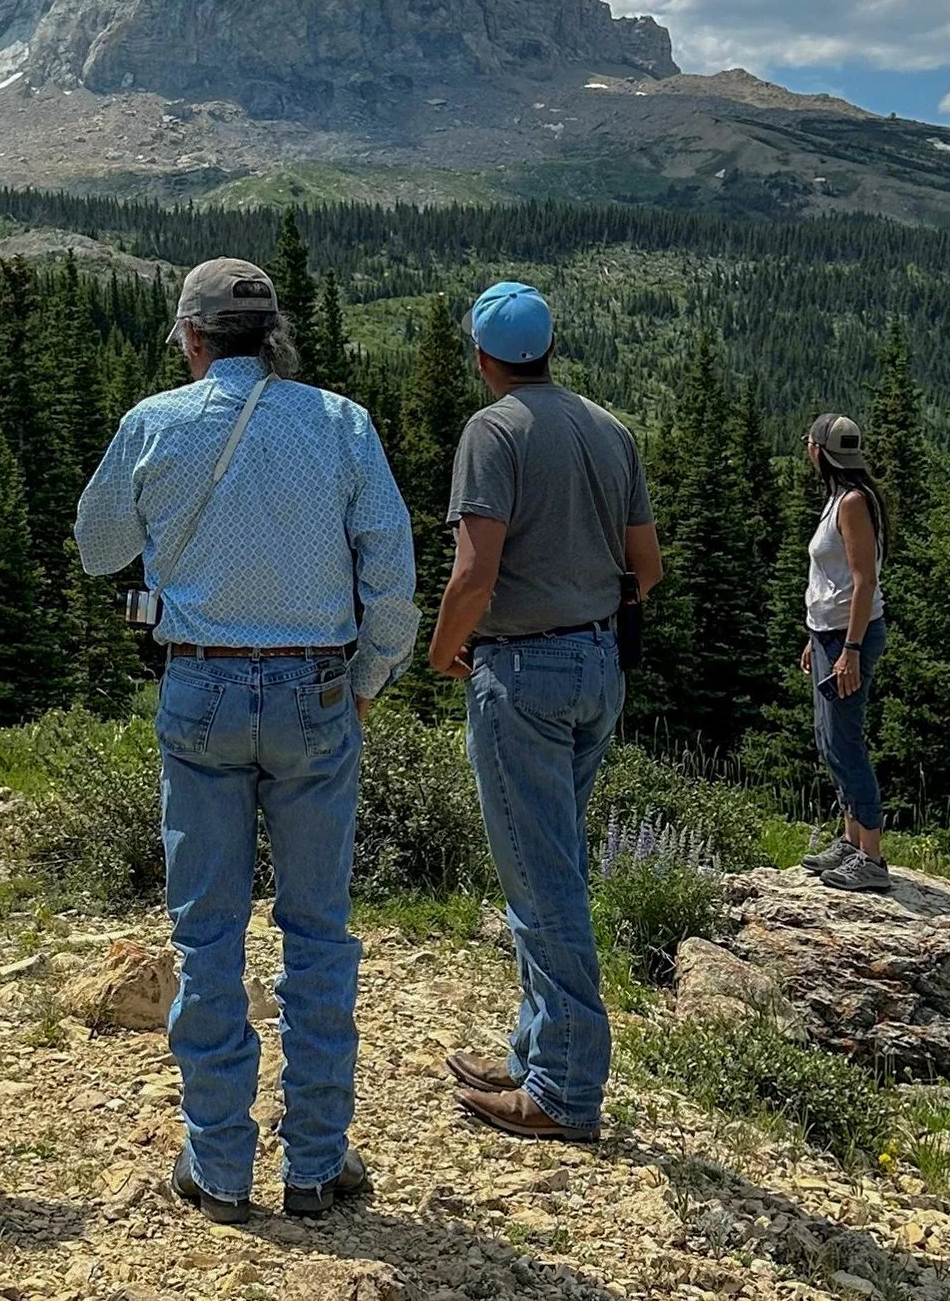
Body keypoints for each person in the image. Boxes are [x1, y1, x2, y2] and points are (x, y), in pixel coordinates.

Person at [75, 258, 417, 1225]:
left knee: (206, 931)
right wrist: (363, 682)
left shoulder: (154, 422)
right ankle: (314, 1159)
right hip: (315, 685)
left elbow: (97, 546)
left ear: (190, 338)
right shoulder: (342, 422)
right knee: (317, 932)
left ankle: (217, 1164)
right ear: (271, 338)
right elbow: (390, 583)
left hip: (200, 683)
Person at [429, 281, 661, 1147]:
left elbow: (475, 571)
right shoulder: (608, 428)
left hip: (520, 668)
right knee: (551, 859)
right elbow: (648, 565)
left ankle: (562, 1086)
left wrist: (443, 645)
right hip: (598, 664)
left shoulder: (491, 430)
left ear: (484, 357)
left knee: (540, 877)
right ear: (548, 348)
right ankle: (534, 1052)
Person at [801, 411, 890, 894]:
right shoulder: (841, 497)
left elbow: (863, 582)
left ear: (819, 452)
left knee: (846, 743)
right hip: (829, 635)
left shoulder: (852, 503)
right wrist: (814, 638)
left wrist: (849, 649)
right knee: (829, 739)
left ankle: (871, 857)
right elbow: (831, 581)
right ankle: (852, 840)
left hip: (846, 638)